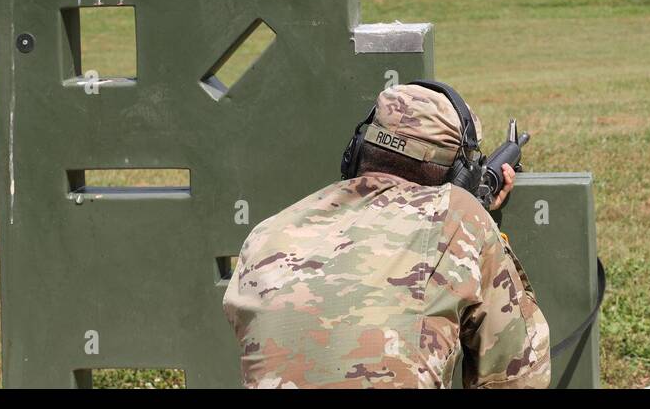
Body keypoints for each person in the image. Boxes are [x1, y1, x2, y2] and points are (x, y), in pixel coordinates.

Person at [222, 81, 551, 388]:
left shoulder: (267, 233)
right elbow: (518, 375)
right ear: (460, 176)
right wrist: (477, 217)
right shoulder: (461, 217)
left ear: (356, 152)